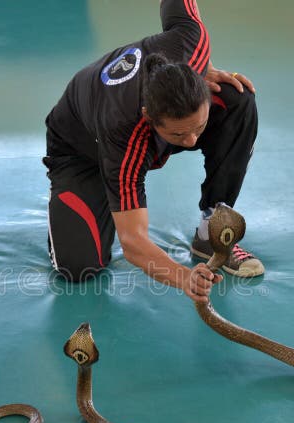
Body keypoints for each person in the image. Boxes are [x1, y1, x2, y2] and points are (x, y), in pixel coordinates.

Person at [44, 0, 261, 303]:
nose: (190, 141)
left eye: (198, 127)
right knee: (79, 268)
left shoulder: (191, 42)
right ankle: (99, 197)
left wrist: (207, 69)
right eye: (178, 134)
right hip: (82, 153)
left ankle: (210, 229)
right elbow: (133, 242)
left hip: (152, 122)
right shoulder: (125, 135)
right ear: (148, 117)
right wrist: (184, 278)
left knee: (237, 98)